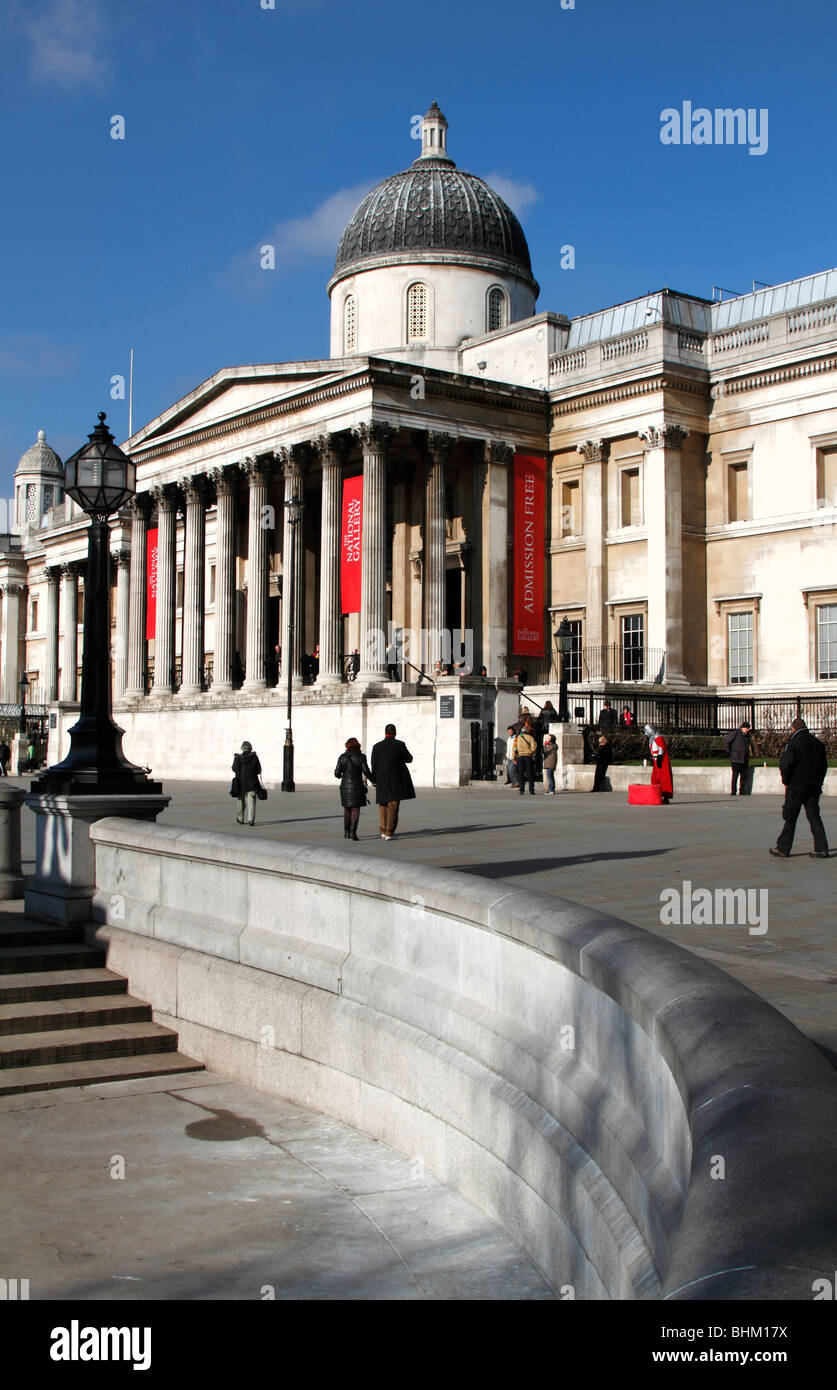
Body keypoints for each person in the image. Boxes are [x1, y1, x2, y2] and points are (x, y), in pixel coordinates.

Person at [770, 718, 829, 858]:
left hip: (797, 786)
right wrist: (818, 781)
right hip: (813, 786)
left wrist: (786, 780)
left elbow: (786, 764)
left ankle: (783, 848)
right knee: (814, 817)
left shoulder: (793, 743)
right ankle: (821, 848)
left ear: (793, 729)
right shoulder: (817, 743)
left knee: (791, 817)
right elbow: (824, 765)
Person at [370, 723, 415, 840]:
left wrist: (374, 779)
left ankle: (383, 830)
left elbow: (373, 765)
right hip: (396, 778)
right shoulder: (399, 744)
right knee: (393, 804)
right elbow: (409, 759)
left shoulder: (376, 746)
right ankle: (390, 832)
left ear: (385, 733)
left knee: (383, 804)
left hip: (381, 779)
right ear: (395, 733)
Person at [334, 737, 374, 841]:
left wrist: (342, 775)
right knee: (355, 809)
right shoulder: (361, 757)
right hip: (357, 786)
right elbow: (366, 771)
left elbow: (337, 773)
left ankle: (346, 832)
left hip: (345, 787)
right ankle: (353, 832)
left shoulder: (342, 757)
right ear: (358, 746)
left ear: (347, 746)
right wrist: (374, 780)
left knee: (347, 809)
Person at [232, 740, 262, 826]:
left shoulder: (238, 758)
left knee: (240, 801)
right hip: (252, 783)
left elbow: (234, 769)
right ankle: (251, 820)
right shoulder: (254, 757)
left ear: (242, 749)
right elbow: (258, 770)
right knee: (251, 802)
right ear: (250, 748)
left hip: (241, 784)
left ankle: (240, 818)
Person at [644, 724, 673, 804]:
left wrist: (659, 756)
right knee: (655, 778)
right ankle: (657, 795)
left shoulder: (658, 737)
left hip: (661, 761)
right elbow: (653, 748)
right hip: (656, 759)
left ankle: (665, 796)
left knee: (663, 778)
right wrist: (652, 757)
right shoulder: (652, 738)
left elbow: (661, 747)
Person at [724, 722, 753, 796]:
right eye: (747, 728)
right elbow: (727, 741)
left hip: (744, 759)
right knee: (735, 776)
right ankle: (733, 791)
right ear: (742, 728)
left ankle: (742, 790)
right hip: (736, 759)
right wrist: (729, 751)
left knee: (743, 776)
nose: (748, 730)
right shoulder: (735, 733)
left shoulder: (747, 736)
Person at [516, 721, 537, 796]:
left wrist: (514, 757)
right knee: (530, 774)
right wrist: (531, 751)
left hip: (520, 757)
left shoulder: (518, 737)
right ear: (527, 731)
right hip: (528, 756)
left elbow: (514, 747)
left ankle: (521, 790)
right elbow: (534, 746)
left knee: (520, 774)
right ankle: (531, 790)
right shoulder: (530, 737)